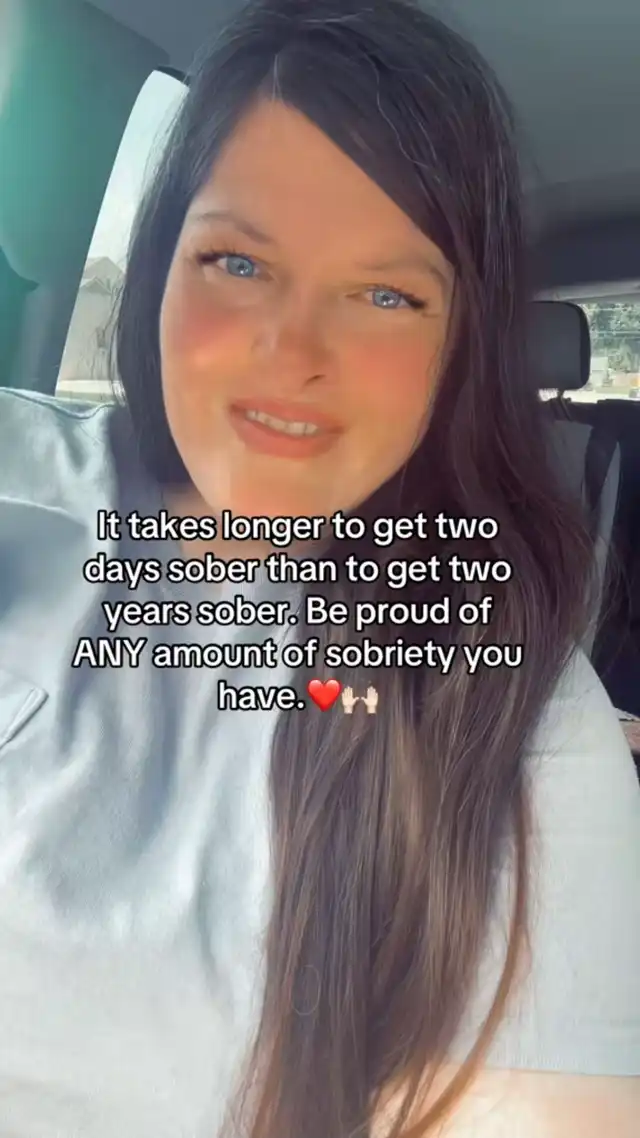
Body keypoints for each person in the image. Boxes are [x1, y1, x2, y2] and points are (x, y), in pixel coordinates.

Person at [0, 0, 638, 1135]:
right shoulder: (23, 481)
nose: (293, 354)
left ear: (460, 341)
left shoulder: (518, 711)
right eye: (238, 262)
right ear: (158, 266)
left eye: (387, 294)